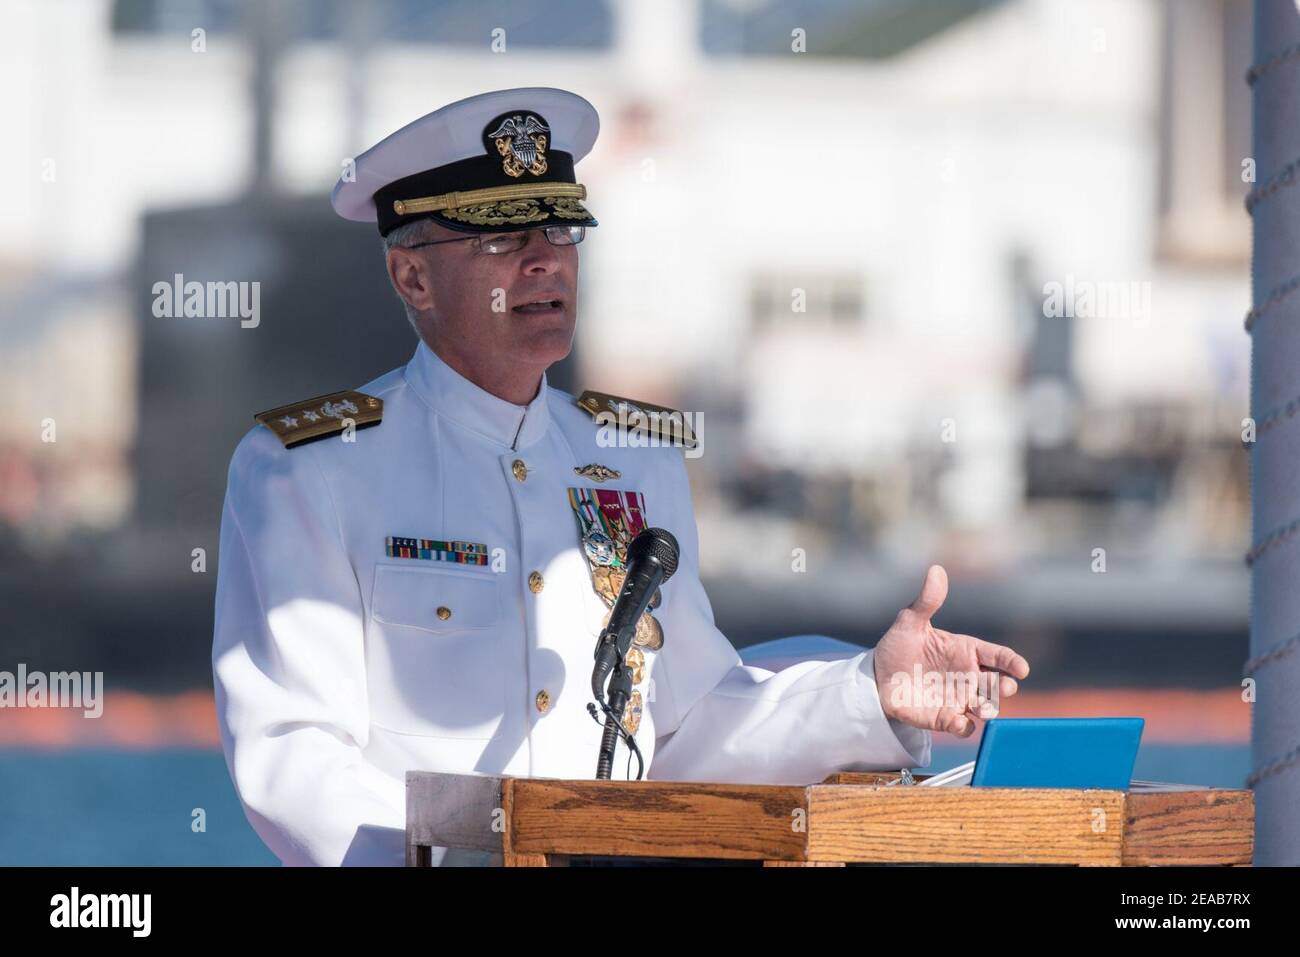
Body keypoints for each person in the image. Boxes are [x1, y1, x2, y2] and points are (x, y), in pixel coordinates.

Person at [211, 87, 1030, 867]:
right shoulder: (309, 470)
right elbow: (295, 753)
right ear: (412, 277)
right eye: (500, 238)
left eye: (562, 233)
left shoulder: (638, 457)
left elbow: (688, 725)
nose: (544, 262)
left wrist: (872, 691)